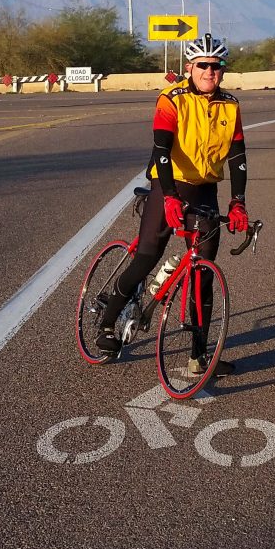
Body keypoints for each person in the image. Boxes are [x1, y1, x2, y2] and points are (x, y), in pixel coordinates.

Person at [96, 32, 249, 377]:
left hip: (205, 189)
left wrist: (238, 202)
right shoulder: (171, 98)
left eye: (217, 65)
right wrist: (167, 197)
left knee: (204, 272)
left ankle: (199, 355)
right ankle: (107, 324)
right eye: (203, 66)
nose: (211, 71)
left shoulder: (230, 104)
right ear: (189, 68)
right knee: (147, 255)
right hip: (168, 184)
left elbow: (238, 155)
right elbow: (162, 150)